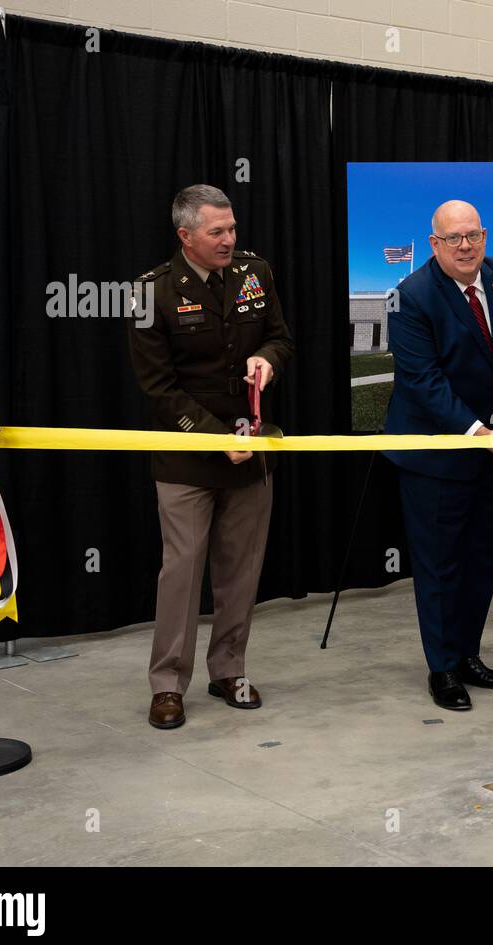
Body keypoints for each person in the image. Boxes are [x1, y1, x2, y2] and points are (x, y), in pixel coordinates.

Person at [129, 184, 293, 729]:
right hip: (187, 455)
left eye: (233, 229)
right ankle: (168, 684)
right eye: (216, 232)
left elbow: (280, 338)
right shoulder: (150, 292)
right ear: (186, 236)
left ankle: (229, 669)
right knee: (182, 570)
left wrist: (267, 360)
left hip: (251, 448)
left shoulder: (255, 273)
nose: (230, 240)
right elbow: (158, 387)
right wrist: (213, 435)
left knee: (240, 570)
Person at [384, 200, 493, 711]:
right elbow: (422, 382)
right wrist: (480, 432)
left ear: (485, 236)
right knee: (439, 567)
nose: (466, 246)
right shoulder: (410, 296)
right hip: (436, 457)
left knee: (481, 562)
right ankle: (442, 668)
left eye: (473, 235)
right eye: (454, 239)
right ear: (434, 244)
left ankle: (469, 654)